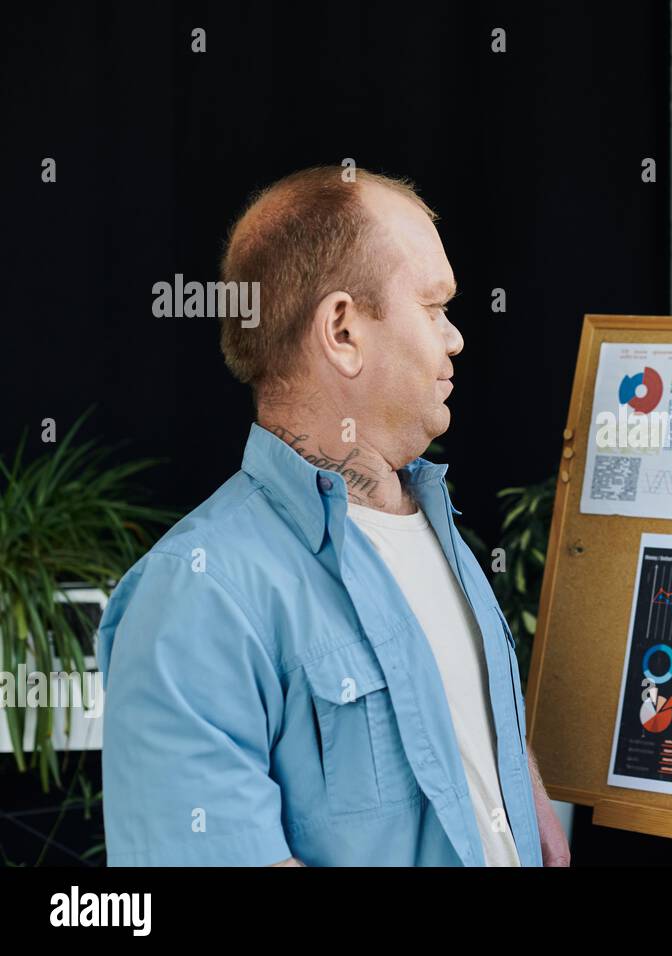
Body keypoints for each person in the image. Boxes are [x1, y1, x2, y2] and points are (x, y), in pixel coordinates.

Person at [98, 166, 570, 866]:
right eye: (435, 307)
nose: (456, 339)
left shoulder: (437, 531)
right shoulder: (196, 594)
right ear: (343, 330)